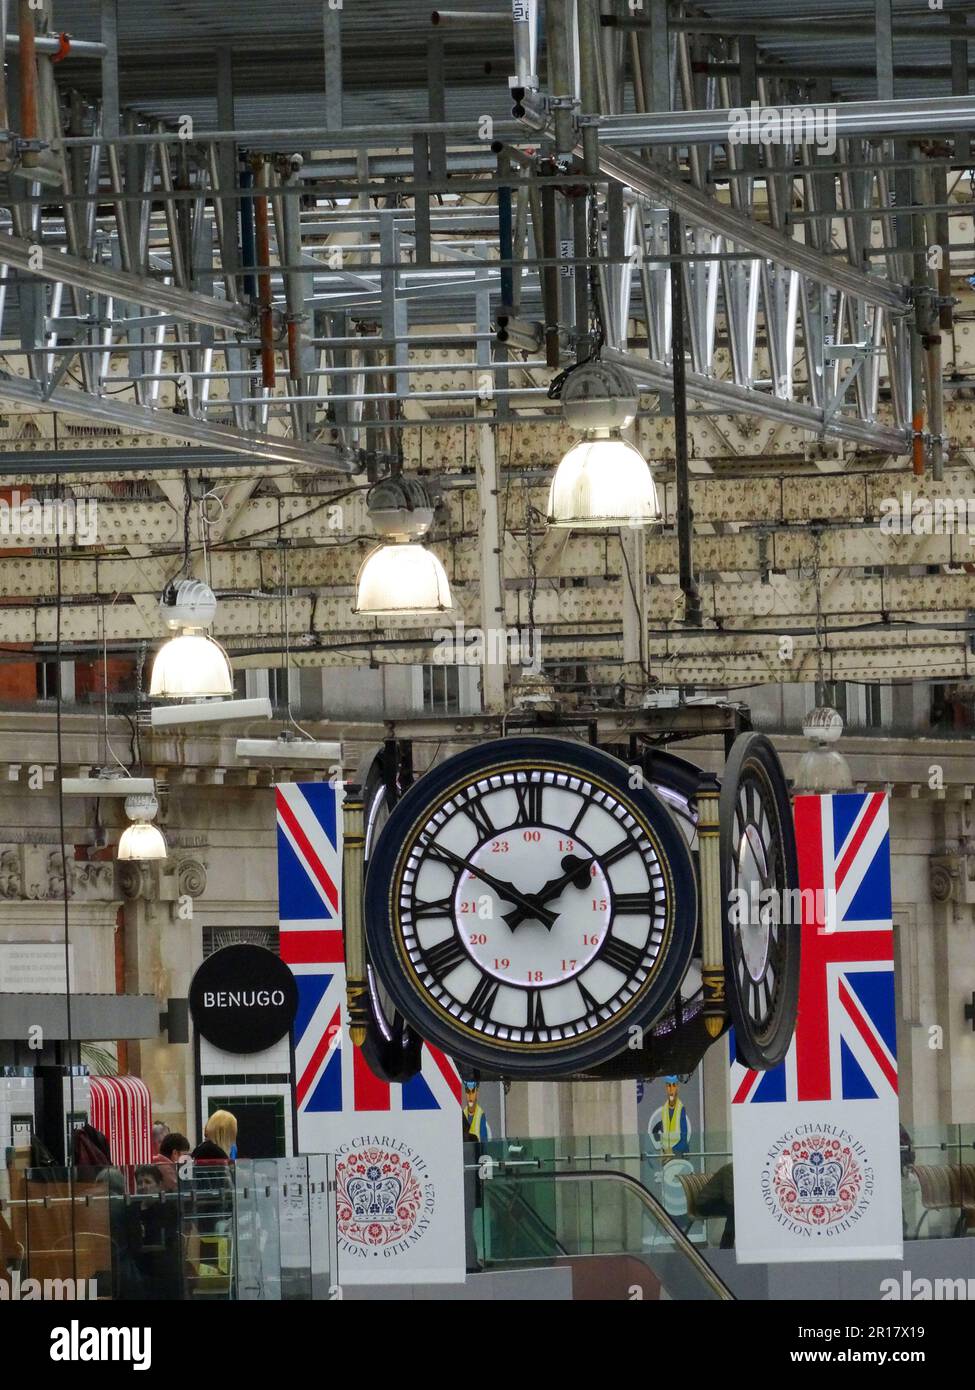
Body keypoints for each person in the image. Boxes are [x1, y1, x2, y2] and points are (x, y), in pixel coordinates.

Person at [653, 1076, 690, 1156]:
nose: (671, 1089)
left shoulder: (681, 1109)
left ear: (677, 1087)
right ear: (666, 1087)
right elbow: (661, 1132)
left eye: (673, 1085)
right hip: (666, 1155)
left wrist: (672, 1151)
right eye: (669, 1086)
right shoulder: (664, 1109)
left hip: (679, 1154)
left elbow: (684, 1140)